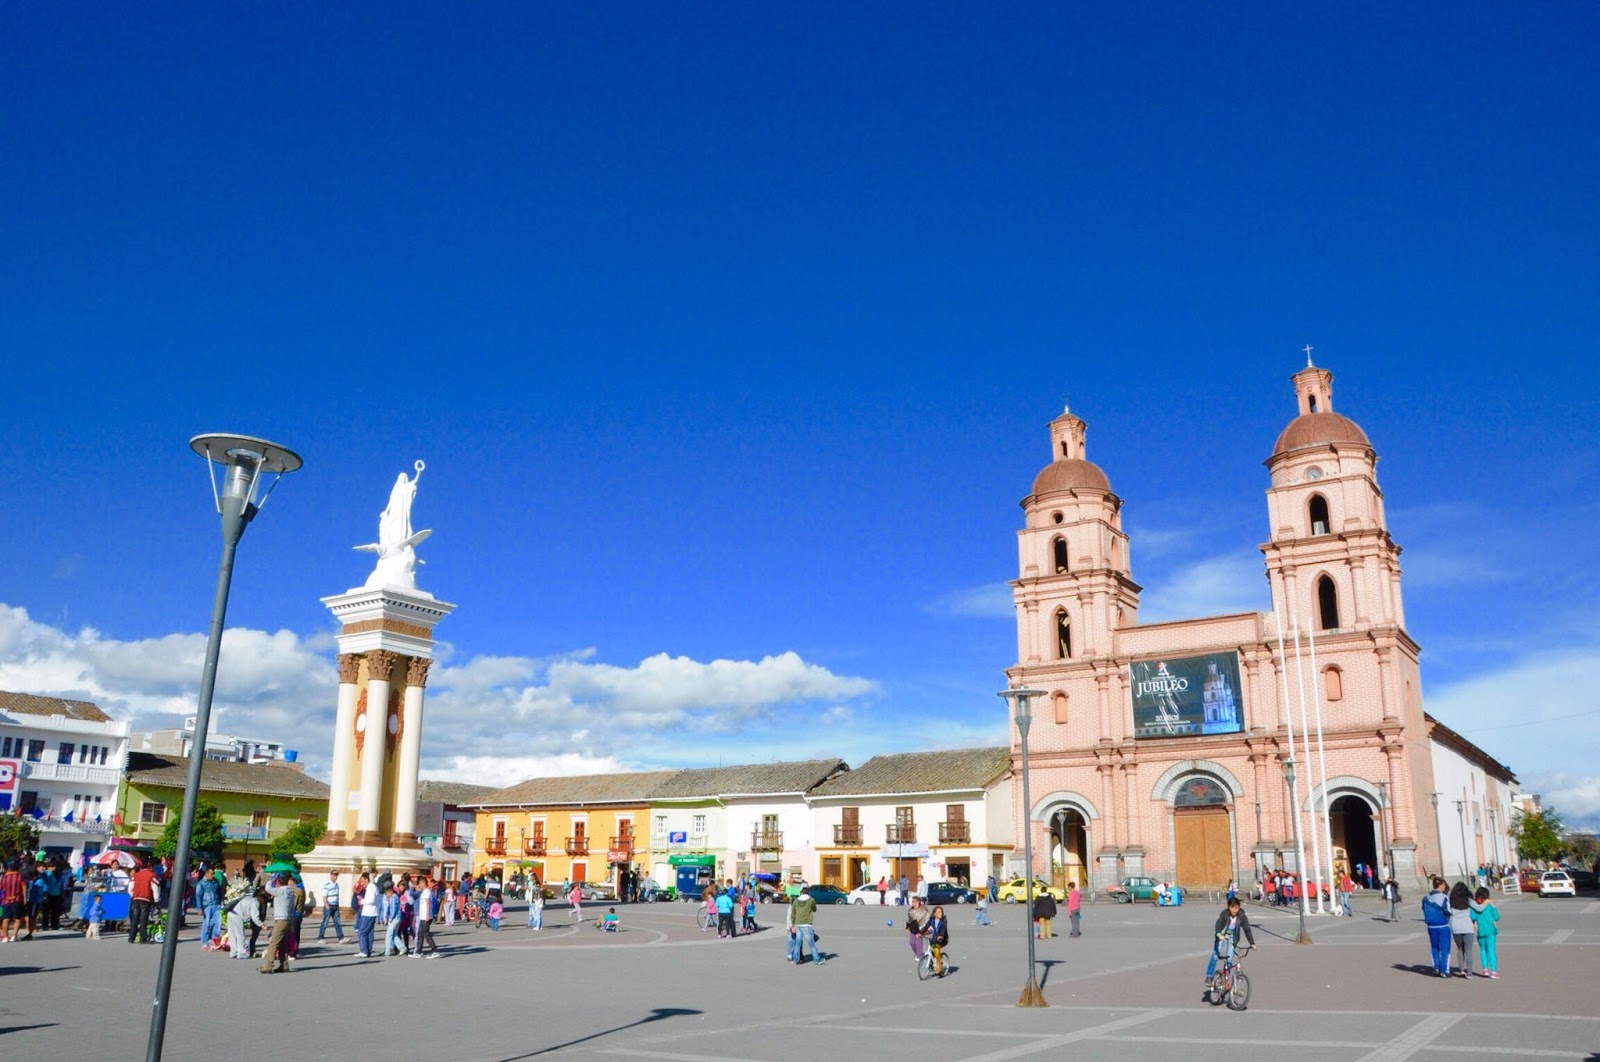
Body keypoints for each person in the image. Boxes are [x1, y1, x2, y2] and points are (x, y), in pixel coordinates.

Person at [1202, 897, 1256, 999]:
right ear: (1228, 907)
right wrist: (1218, 934)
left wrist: (1252, 943)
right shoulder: (1225, 914)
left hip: (1232, 937)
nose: (1234, 910)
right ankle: (1209, 976)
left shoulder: (1242, 916)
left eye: (1236, 908)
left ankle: (1226, 979)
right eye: (1232, 907)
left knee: (1229, 959)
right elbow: (1218, 924)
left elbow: (1247, 929)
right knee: (1215, 955)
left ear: (1239, 907)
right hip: (1222, 934)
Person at [257, 874, 297, 973]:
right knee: (282, 944)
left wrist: (271, 879)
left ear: (278, 882)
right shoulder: (290, 892)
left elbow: (267, 888)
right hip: (288, 919)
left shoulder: (280, 891)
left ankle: (268, 965)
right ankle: (284, 965)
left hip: (280, 920)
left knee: (273, 943)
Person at [1422, 877, 1452, 977]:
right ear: (1440, 885)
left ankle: (1436, 967)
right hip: (1443, 925)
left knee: (1434, 947)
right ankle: (1444, 970)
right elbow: (1448, 911)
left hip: (1431, 926)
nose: (1444, 887)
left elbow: (1424, 909)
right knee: (1445, 948)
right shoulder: (1444, 897)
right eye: (1444, 885)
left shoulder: (1425, 898)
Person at [226, 887, 266, 960]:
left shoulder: (249, 899)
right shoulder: (255, 903)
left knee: (232, 935)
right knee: (240, 935)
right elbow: (255, 917)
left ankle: (233, 952)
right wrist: (262, 925)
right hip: (237, 916)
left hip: (231, 914)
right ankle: (241, 953)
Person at [1447, 881, 1475, 978]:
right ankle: (1469, 973)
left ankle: (1462, 970)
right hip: (1468, 927)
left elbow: (1448, 911)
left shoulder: (1451, 901)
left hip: (1456, 927)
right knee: (1468, 950)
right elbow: (1479, 908)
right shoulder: (1468, 900)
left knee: (1460, 949)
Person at [1471, 886, 1500, 978]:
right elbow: (1497, 917)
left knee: (1483, 950)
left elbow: (1472, 917)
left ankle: (1485, 969)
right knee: (1491, 950)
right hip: (1490, 930)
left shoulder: (1475, 906)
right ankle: (1493, 971)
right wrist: (1493, 906)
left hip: (1480, 931)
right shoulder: (1489, 905)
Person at [127, 858, 157, 944]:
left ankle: (131, 937)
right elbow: (155, 888)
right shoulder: (152, 875)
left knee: (135, 918)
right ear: (151, 867)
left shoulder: (136, 875)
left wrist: (133, 896)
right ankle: (143, 938)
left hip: (136, 898)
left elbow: (130, 888)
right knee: (144, 919)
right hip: (146, 898)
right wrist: (156, 900)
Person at [790, 886, 821, 964]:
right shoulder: (811, 900)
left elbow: (793, 914)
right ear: (809, 893)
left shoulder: (796, 901)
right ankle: (816, 959)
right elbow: (814, 909)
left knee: (798, 943)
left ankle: (795, 959)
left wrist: (793, 925)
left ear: (802, 892)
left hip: (798, 924)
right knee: (811, 943)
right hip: (807, 924)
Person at [317, 869, 348, 943]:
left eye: (337, 875)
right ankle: (320, 937)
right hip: (329, 905)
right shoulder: (327, 884)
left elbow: (337, 896)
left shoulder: (336, 885)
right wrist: (326, 905)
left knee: (337, 923)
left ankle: (341, 938)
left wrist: (337, 905)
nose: (336, 877)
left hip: (335, 905)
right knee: (325, 922)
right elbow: (324, 896)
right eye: (334, 875)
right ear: (331, 875)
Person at [196, 866, 223, 950]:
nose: (213, 876)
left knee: (218, 923)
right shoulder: (201, 883)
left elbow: (219, 892)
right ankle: (204, 941)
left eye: (213, 874)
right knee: (207, 924)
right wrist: (199, 908)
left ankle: (214, 940)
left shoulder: (215, 881)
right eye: (211, 874)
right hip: (207, 905)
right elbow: (198, 896)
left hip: (216, 905)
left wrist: (221, 902)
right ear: (206, 874)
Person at [0, 860, 26, 943]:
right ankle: (14, 936)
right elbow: (24, 887)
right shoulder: (19, 876)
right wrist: (24, 898)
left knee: (6, 919)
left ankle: (5, 937)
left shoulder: (4, 877)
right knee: (17, 919)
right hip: (17, 899)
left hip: (6, 900)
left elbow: (1, 888)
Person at [354, 873, 379, 958]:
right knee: (369, 932)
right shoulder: (373, 887)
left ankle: (364, 950)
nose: (361, 883)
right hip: (372, 912)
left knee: (362, 931)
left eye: (362, 881)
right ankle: (368, 950)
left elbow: (371, 900)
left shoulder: (371, 887)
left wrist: (362, 901)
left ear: (367, 880)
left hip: (368, 913)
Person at [414, 876, 439, 958]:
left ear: (423, 883)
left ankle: (435, 950)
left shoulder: (427, 892)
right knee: (420, 934)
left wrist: (427, 915)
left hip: (426, 916)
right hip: (422, 916)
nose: (419, 885)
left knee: (426, 934)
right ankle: (418, 951)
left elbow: (428, 903)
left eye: (420, 883)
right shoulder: (423, 892)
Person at [925, 904, 950, 977]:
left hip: (943, 939)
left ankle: (939, 964)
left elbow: (943, 929)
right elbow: (926, 927)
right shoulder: (931, 920)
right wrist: (920, 933)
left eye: (941, 912)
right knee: (932, 947)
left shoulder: (944, 920)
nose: (941, 913)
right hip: (934, 938)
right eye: (939, 912)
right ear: (934, 913)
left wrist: (941, 936)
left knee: (936, 948)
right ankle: (933, 961)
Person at [905, 896, 931, 962]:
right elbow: (908, 919)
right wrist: (907, 927)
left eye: (913, 902)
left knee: (919, 942)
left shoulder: (924, 910)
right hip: (913, 928)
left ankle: (919, 956)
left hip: (921, 928)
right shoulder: (910, 910)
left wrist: (926, 928)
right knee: (911, 943)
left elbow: (928, 919)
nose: (912, 903)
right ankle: (918, 954)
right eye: (912, 902)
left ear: (918, 902)